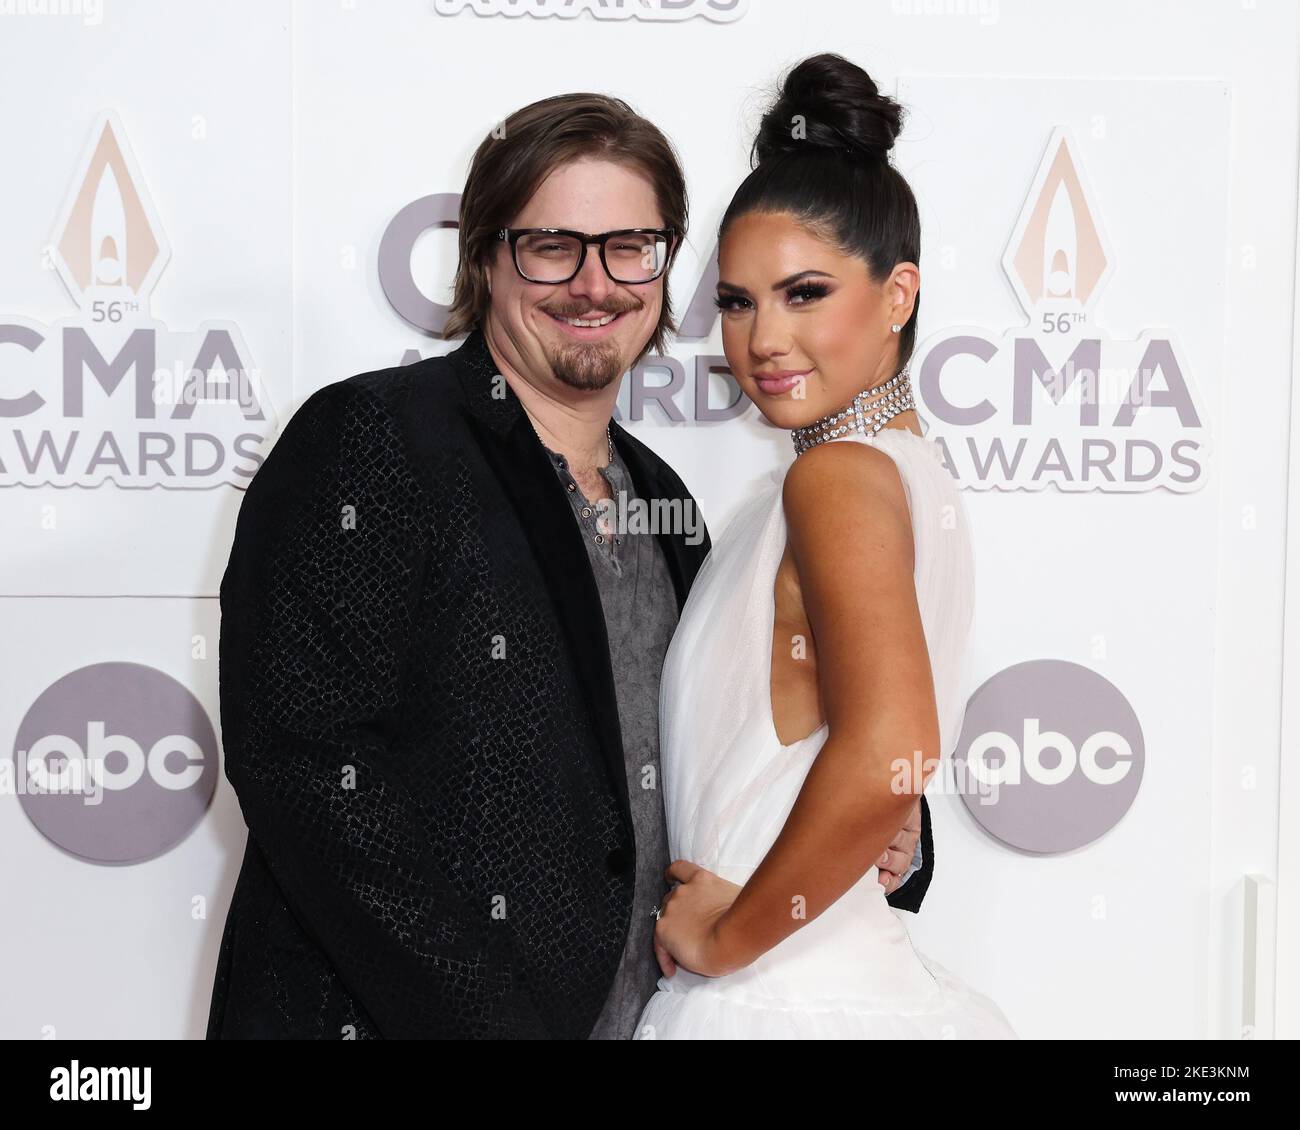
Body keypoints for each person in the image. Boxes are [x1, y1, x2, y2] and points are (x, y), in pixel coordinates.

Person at [206, 87, 931, 1040]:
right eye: (551, 246)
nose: (595, 285)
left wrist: (892, 827)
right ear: (484, 257)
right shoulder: (374, 440)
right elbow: (306, 769)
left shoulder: (670, 508)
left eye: (629, 246)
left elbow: (752, 741)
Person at [635, 53, 1017, 1039]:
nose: (762, 337)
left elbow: (893, 744)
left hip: (781, 999)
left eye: (803, 292)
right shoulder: (898, 473)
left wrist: (728, 939)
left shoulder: (835, 479)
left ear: (897, 295)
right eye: (736, 301)